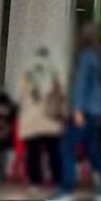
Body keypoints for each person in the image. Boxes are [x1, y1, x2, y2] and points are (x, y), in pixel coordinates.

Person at [49, 24, 101, 201]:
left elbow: (82, 84)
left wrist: (77, 109)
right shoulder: (100, 56)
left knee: (67, 148)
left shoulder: (86, 56)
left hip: (84, 111)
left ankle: (66, 189)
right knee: (93, 150)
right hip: (97, 110)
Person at [18, 47, 66, 191]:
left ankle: (35, 182)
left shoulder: (27, 75)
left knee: (33, 153)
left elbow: (21, 97)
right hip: (50, 119)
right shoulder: (55, 75)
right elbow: (61, 97)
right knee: (54, 152)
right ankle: (57, 180)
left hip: (31, 119)